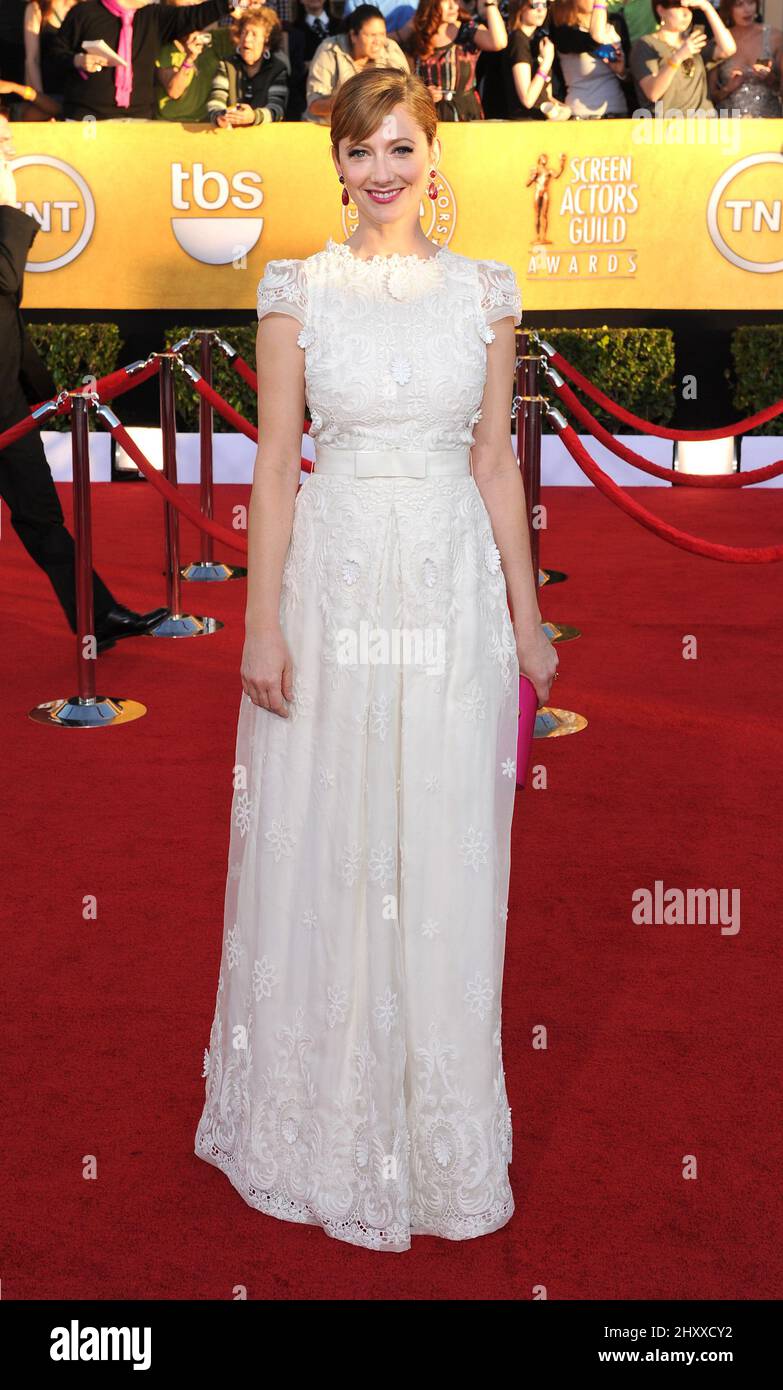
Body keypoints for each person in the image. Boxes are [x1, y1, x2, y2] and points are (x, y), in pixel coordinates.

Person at [193, 65, 558, 1251]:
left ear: (432, 154)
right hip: (338, 588)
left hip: (449, 593)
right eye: (362, 152)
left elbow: (496, 466)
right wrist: (258, 625)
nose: (383, 173)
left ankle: (436, 1122)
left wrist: (528, 616)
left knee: (443, 847)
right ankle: (321, 1118)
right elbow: (273, 465)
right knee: (339, 847)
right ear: (337, 162)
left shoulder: (488, 293)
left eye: (402, 149)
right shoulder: (296, 288)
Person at [0, 113, 167, 651]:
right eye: (1, 142)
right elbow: (5, 281)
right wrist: (7, 209)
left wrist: (44, 391)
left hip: (7, 411)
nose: (10, 152)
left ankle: (98, 615)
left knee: (43, 520)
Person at [47, 0, 249, 121]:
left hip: (138, 120)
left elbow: (194, 15)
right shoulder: (84, 13)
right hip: (89, 118)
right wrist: (78, 60)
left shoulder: (154, 17)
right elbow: (55, 55)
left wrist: (230, 2)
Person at [405, 0, 509, 121]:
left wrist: (490, 4)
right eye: (446, 1)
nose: (453, 6)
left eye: (455, 1)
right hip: (430, 117)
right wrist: (423, 94)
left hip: (466, 115)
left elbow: (499, 43)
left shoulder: (467, 30)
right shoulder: (418, 36)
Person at [304, 4, 408, 123]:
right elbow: (314, 106)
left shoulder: (391, 49)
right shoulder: (330, 50)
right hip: (329, 128)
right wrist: (347, 101)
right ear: (353, 35)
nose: (378, 41)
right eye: (372, 35)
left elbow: (405, 93)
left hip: (377, 130)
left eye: (382, 34)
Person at [630, 0, 735, 114]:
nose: (686, 14)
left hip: (704, 122)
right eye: (679, 8)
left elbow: (728, 49)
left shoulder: (693, 41)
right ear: (661, 10)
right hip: (668, 125)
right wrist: (678, 57)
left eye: (690, 9)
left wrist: (707, 7)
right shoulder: (646, 44)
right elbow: (653, 93)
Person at [155, 2, 236, 123]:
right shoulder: (165, 48)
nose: (191, 20)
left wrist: (239, 11)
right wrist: (190, 59)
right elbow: (174, 92)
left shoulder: (214, 40)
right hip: (169, 124)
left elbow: (246, 36)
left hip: (204, 124)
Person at [207, 5, 290, 123]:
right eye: (244, 33)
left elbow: (277, 109)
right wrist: (219, 116)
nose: (246, 39)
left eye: (254, 34)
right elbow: (215, 101)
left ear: (267, 43)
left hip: (266, 137)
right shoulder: (226, 65)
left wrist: (254, 117)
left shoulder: (278, 69)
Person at [549, 0, 631, 116]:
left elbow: (632, 76)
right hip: (581, 117)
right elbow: (595, 38)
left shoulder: (616, 22)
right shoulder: (563, 29)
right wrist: (600, 4)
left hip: (618, 113)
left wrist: (622, 72)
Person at [708, 0, 782, 116]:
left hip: (769, 121)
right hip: (730, 123)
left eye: (751, 3)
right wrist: (728, 89)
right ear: (729, 9)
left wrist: (770, 80)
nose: (747, 10)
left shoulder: (775, 38)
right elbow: (710, 97)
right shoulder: (720, 42)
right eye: (739, 4)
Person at [503, 0, 572, 117]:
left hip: (541, 121)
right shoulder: (518, 41)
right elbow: (527, 100)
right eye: (535, 5)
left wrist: (565, 109)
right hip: (525, 124)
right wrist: (546, 64)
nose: (541, 9)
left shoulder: (537, 41)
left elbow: (546, 96)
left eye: (545, 4)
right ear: (520, 7)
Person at [286, 0, 340, 120]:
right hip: (306, 105)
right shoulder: (292, 31)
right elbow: (291, 73)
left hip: (341, 102)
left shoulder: (341, 27)